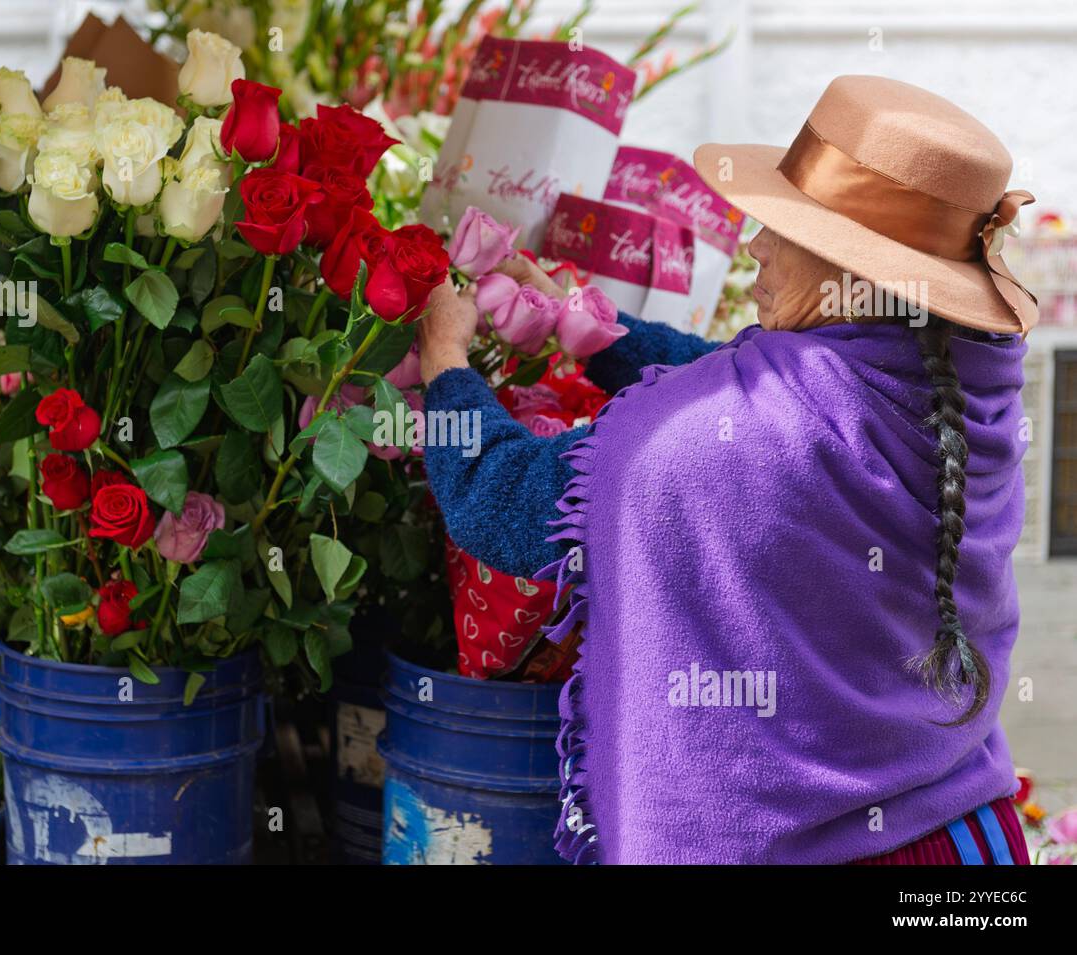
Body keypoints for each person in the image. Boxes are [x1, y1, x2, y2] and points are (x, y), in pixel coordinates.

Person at [416, 75, 1036, 864]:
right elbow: (750, 384)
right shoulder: (958, 387)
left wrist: (446, 363)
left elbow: (496, 500)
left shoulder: (731, 440)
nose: (754, 247)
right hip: (968, 845)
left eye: (787, 230)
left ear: (858, 271)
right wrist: (591, 333)